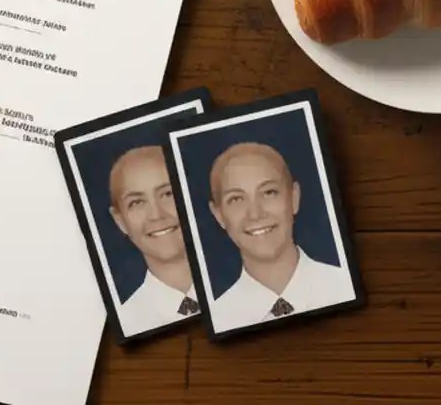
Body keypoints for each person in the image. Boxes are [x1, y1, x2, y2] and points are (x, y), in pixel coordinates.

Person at [206, 142, 354, 332]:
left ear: (294, 198)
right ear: (218, 215)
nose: (255, 214)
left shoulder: (342, 285)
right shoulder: (220, 318)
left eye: (269, 192)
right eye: (236, 199)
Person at [107, 145, 198, 334]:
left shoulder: (236, 298)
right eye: (137, 202)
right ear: (120, 220)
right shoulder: (128, 322)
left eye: (167, 193)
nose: (156, 215)